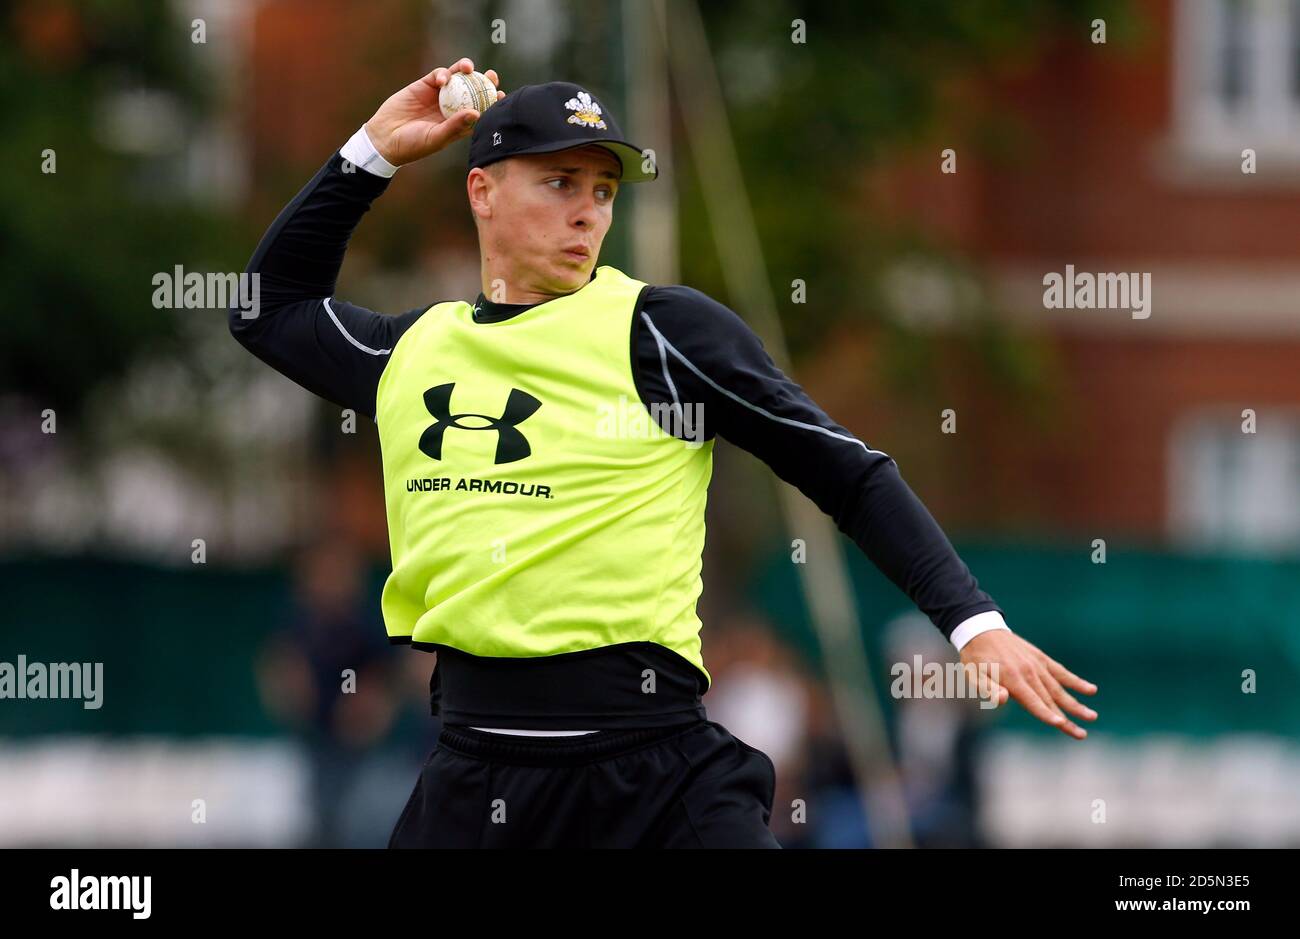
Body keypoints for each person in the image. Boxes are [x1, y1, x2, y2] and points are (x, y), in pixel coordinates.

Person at [230, 58, 1098, 848]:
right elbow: (265, 309)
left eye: (604, 190)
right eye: (560, 181)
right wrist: (372, 151)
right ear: (482, 190)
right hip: (472, 779)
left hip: (651, 778)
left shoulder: (662, 331)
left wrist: (972, 624)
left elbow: (846, 470)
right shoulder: (411, 349)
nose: (587, 210)